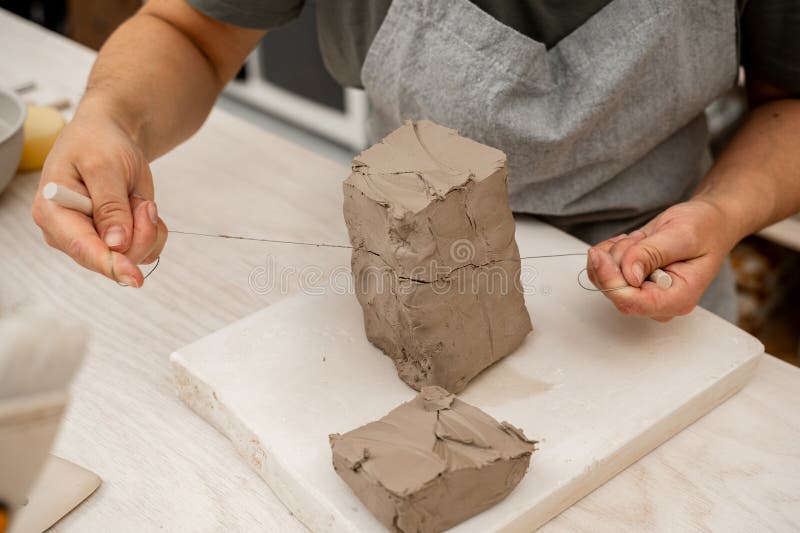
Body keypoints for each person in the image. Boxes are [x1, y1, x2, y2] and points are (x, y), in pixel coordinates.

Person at [31, 0, 800, 323]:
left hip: (656, 281)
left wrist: (724, 211)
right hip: (400, 270)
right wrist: (110, 116)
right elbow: (191, 30)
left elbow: (789, 99)